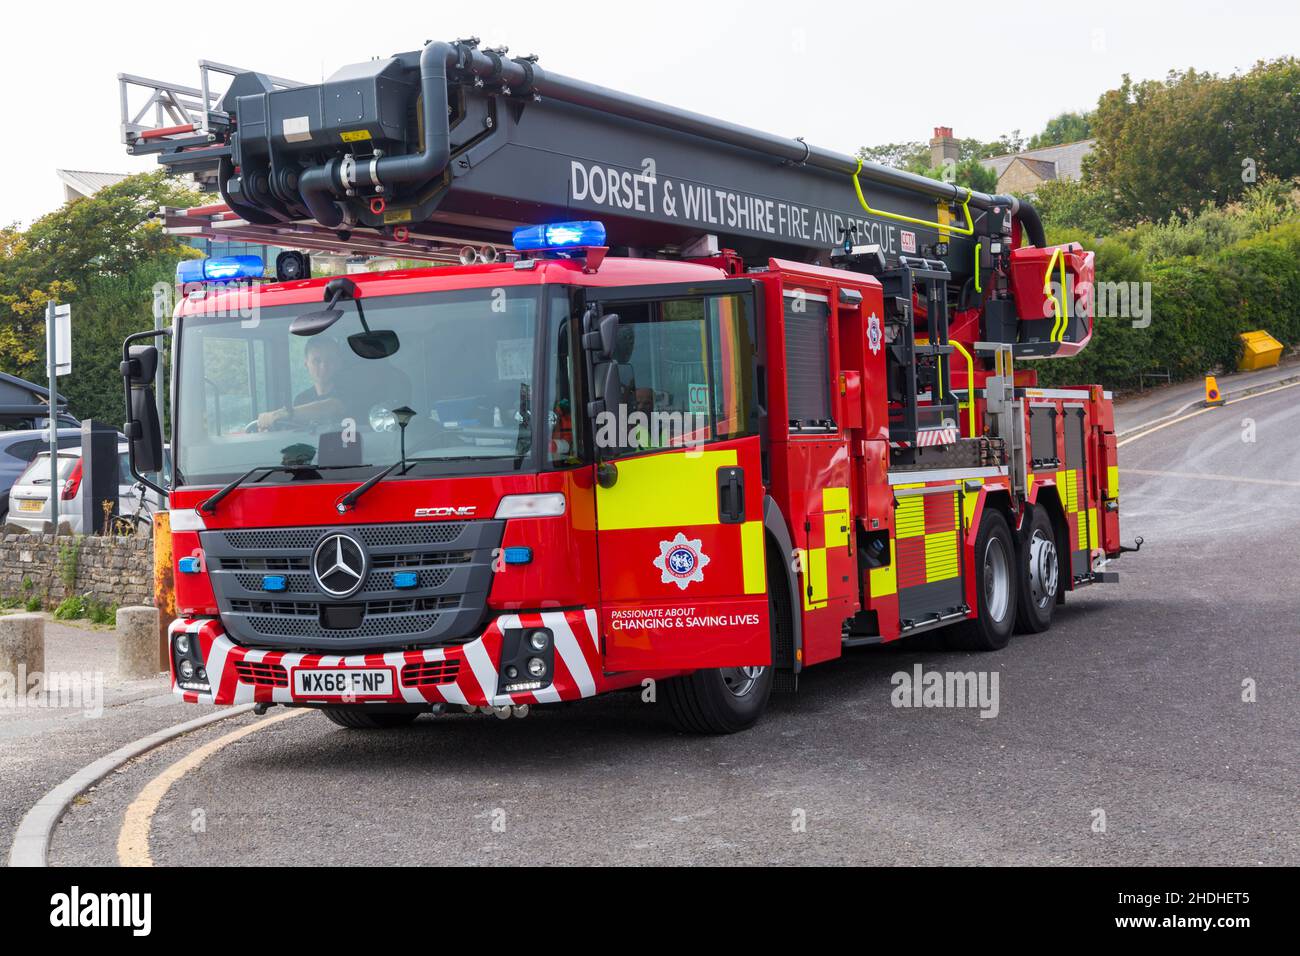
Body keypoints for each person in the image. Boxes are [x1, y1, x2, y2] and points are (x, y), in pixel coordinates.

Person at [256, 337, 357, 431]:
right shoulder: (301, 399)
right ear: (306, 364)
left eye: (330, 360)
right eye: (316, 361)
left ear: (339, 363)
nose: (323, 366)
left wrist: (279, 415)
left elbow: (333, 406)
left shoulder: (350, 392)